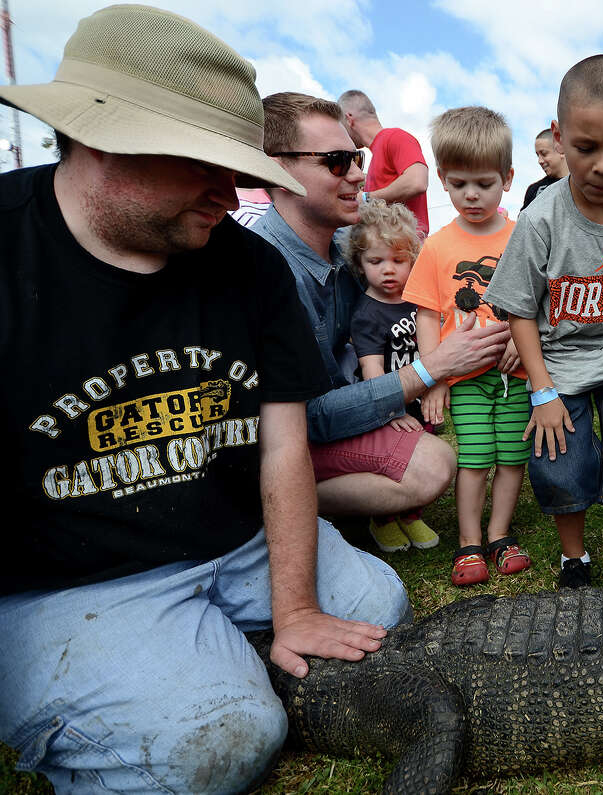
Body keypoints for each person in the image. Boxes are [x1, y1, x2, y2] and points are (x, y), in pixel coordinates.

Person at [0, 6, 409, 791]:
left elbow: (286, 442)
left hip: (236, 544)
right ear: (100, 134)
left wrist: (294, 608)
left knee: (377, 602)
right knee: (225, 742)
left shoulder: (249, 267)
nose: (232, 189)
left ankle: (221, 646)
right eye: (203, 162)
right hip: (73, 582)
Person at [255, 92, 509, 554]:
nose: (358, 173)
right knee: (432, 466)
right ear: (276, 169)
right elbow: (305, 420)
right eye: (337, 162)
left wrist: (508, 330)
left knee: (433, 460)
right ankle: (268, 502)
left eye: (355, 157)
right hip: (283, 439)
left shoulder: (351, 242)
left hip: (343, 410)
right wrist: (431, 370)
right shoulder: (266, 272)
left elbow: (444, 282)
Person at [484, 54, 603, 590]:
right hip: (558, 364)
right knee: (559, 462)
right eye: (586, 147)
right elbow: (520, 307)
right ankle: (574, 559)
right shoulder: (540, 218)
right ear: (559, 135)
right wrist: (541, 390)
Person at [402, 106, 534, 587]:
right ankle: (468, 542)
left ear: (508, 178)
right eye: (459, 184)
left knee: (513, 459)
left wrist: (527, 343)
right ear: (441, 180)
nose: (471, 195)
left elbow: (537, 303)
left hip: (516, 378)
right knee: (475, 459)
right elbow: (427, 315)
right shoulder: (436, 246)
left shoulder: (523, 238)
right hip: (467, 380)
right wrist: (432, 376)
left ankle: (500, 535)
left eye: (484, 183)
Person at [341, 197, 440, 551]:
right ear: (359, 262)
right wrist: (389, 412)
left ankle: (411, 514)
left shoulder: (418, 299)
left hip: (417, 395)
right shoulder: (366, 313)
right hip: (386, 401)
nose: (387, 270)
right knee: (389, 462)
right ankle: (383, 518)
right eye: (376, 261)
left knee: (418, 453)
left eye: (398, 260)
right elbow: (371, 367)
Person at [338, 89, 430, 234]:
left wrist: (366, 198)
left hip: (405, 248)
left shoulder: (395, 136)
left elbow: (417, 182)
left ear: (348, 119)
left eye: (340, 125)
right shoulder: (377, 152)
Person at [521, 127, 568, 209]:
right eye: (537, 155)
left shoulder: (580, 186)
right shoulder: (534, 189)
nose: (539, 161)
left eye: (544, 154)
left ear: (562, 149)